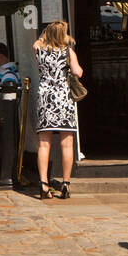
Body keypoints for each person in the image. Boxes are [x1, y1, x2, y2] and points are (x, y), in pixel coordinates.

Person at [33, 21, 83, 200]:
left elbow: (38, 41)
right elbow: (78, 72)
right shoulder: (68, 52)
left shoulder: (39, 49)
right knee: (67, 143)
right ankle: (66, 183)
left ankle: (44, 184)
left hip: (45, 97)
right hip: (63, 98)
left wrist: (45, 35)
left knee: (44, 143)